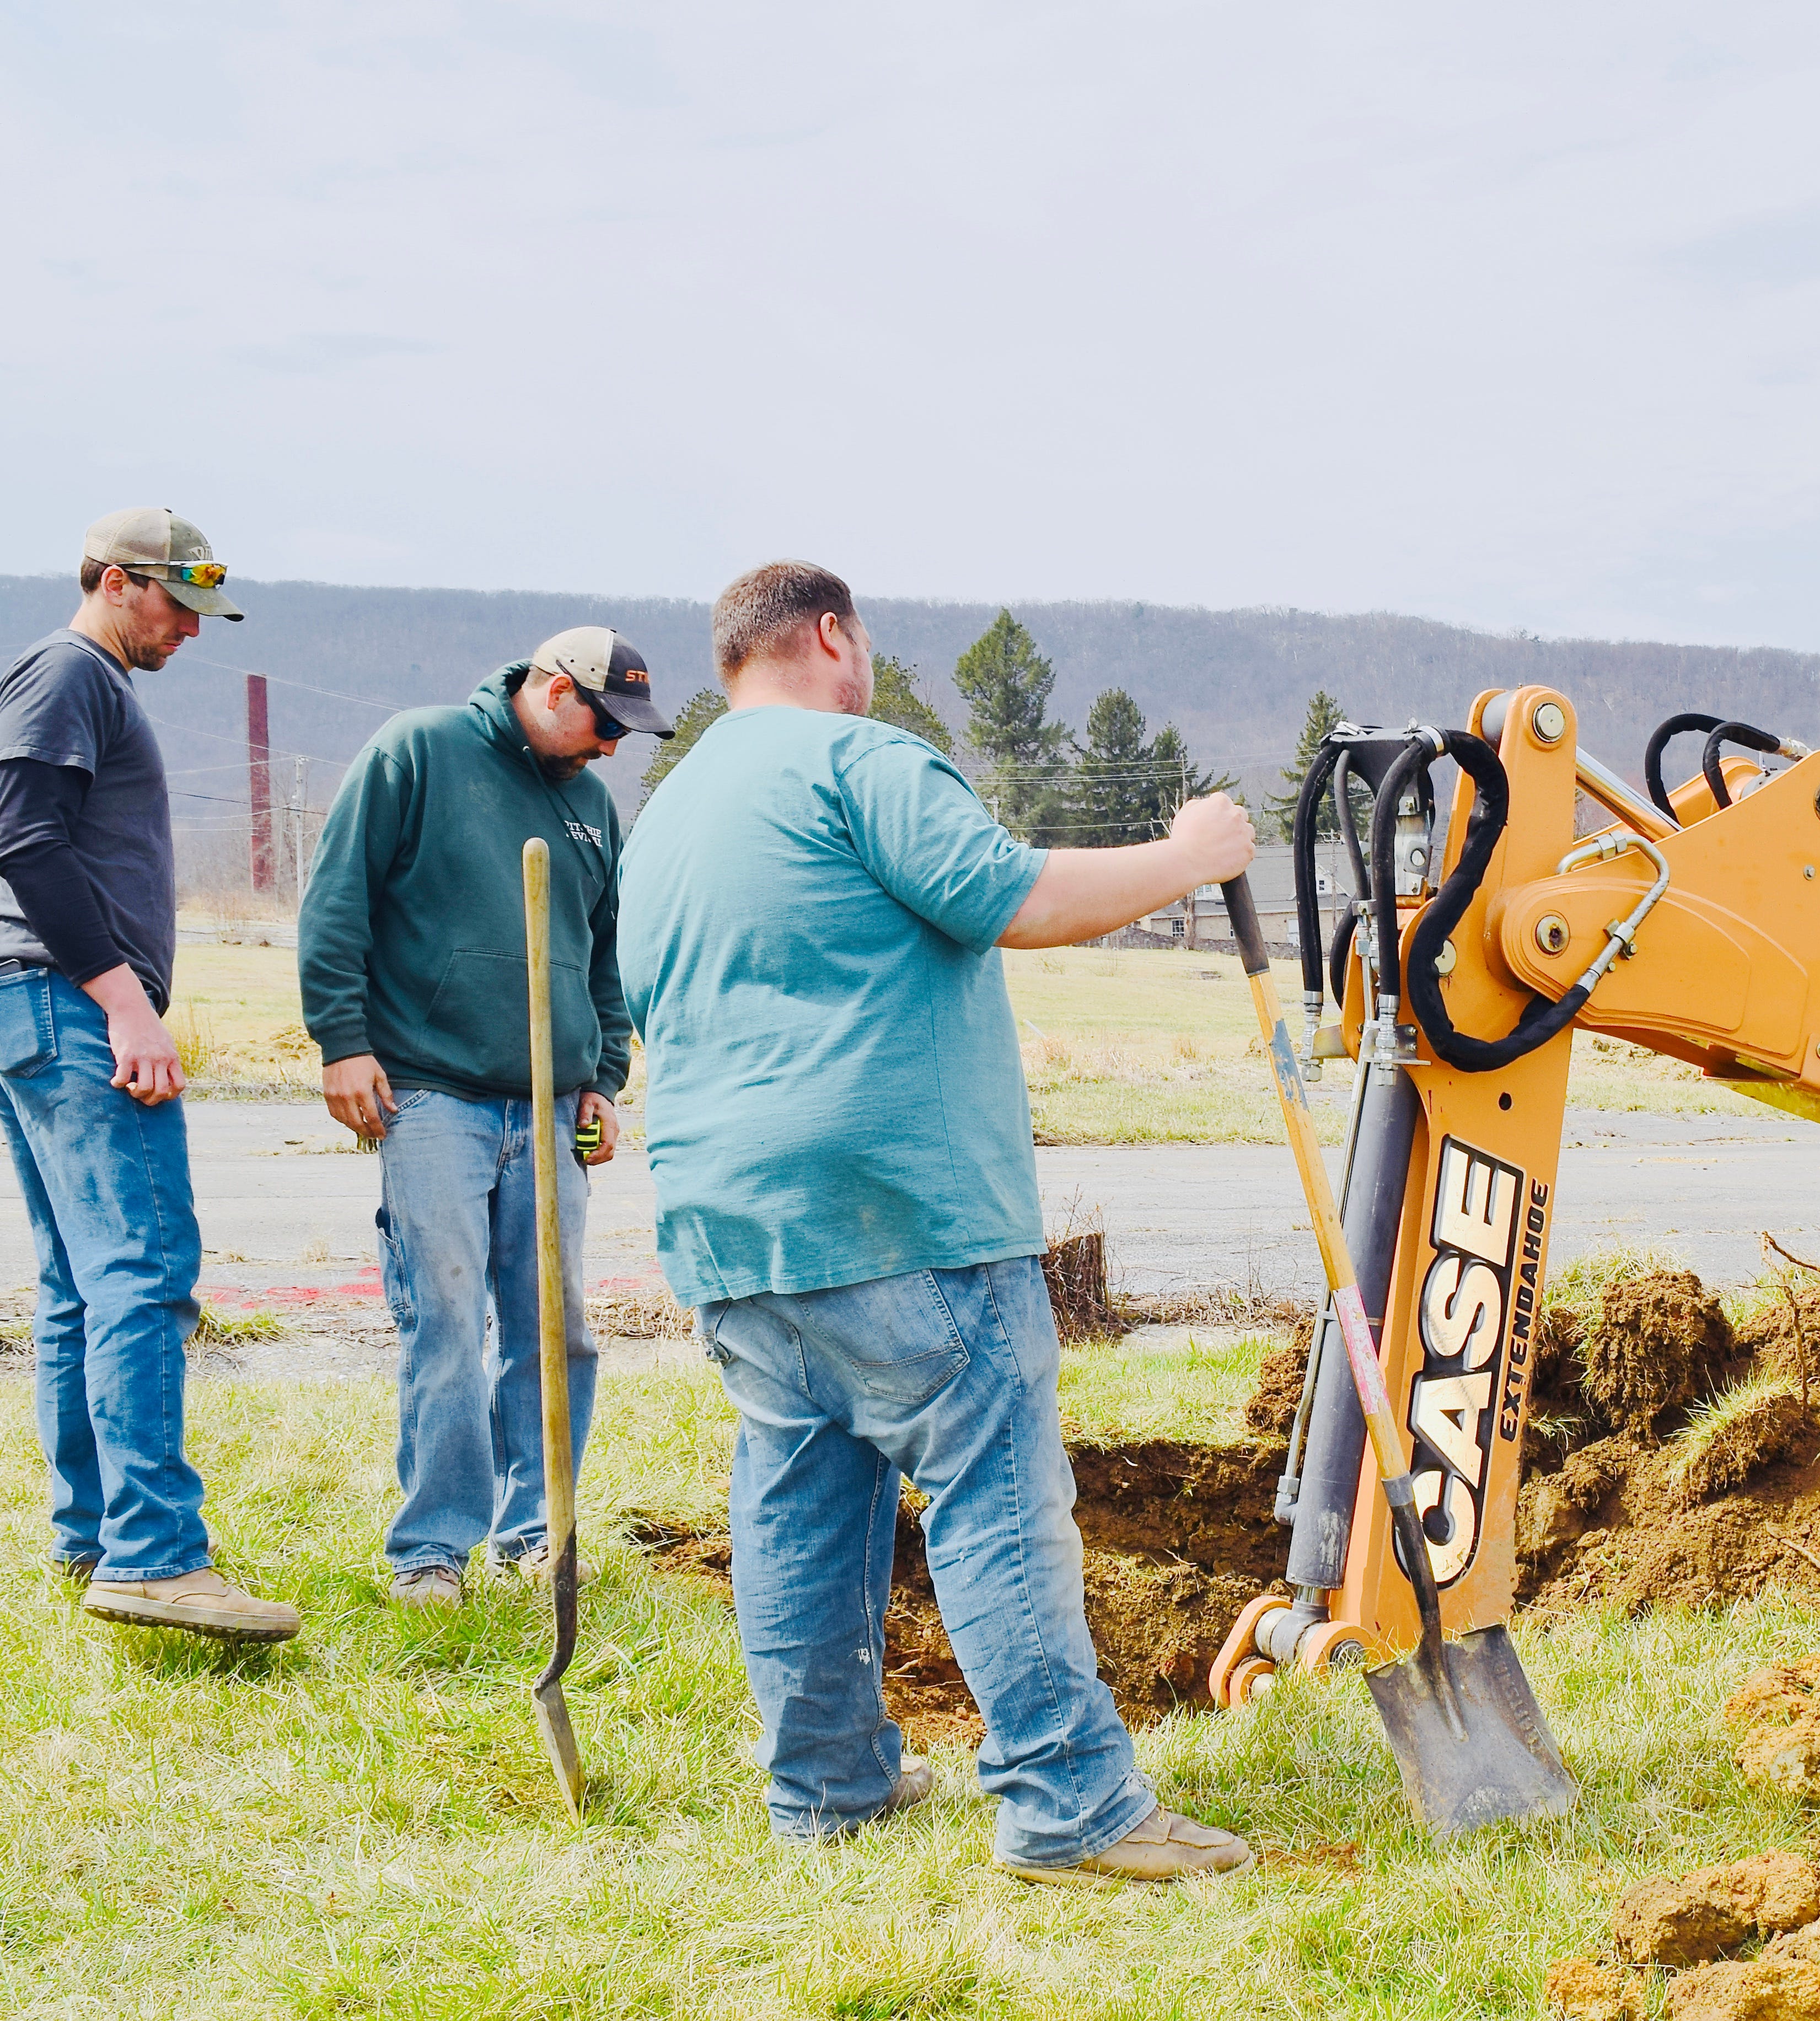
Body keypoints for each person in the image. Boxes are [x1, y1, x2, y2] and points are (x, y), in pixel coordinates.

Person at [621, 561, 1258, 1881]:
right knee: (993, 1487)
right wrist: (1191, 857)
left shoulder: (669, 813)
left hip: (732, 1220)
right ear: (834, 637)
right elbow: (1018, 899)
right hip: (898, 1207)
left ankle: (829, 1785)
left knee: (801, 1489)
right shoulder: (860, 762)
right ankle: (1070, 1803)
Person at [297, 628, 668, 1608]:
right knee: (448, 1321)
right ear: (553, 689)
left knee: (558, 1330)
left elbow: (604, 956)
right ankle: (434, 1550)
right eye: (605, 723)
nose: (612, 749)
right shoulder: (416, 753)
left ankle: (538, 1533)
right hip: (431, 1096)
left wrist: (605, 1075)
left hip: (549, 1107)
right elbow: (337, 902)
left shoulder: (589, 805)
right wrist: (342, 1040)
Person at [0, 509, 298, 1641]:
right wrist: (125, 1003)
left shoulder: (85, 683)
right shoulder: (68, 672)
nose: (188, 632)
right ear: (117, 581)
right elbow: (25, 841)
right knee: (143, 1269)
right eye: (176, 606)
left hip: (40, 1002)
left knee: (82, 1284)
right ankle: (157, 1559)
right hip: (69, 1005)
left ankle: (93, 1538)